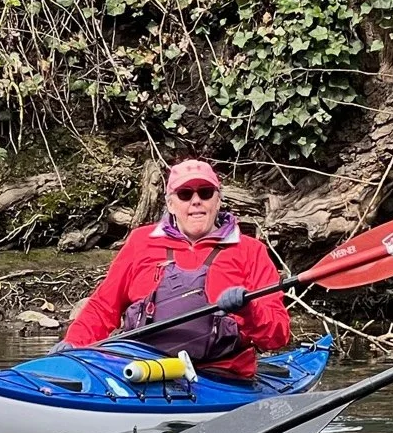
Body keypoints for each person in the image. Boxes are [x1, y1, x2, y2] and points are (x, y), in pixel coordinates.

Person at [64, 159, 292, 378]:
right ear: (170, 204)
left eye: (205, 192)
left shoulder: (250, 251)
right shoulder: (141, 242)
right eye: (185, 194)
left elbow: (278, 336)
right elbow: (104, 306)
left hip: (221, 377)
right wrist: (73, 346)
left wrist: (248, 311)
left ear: (218, 200)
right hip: (143, 372)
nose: (196, 201)